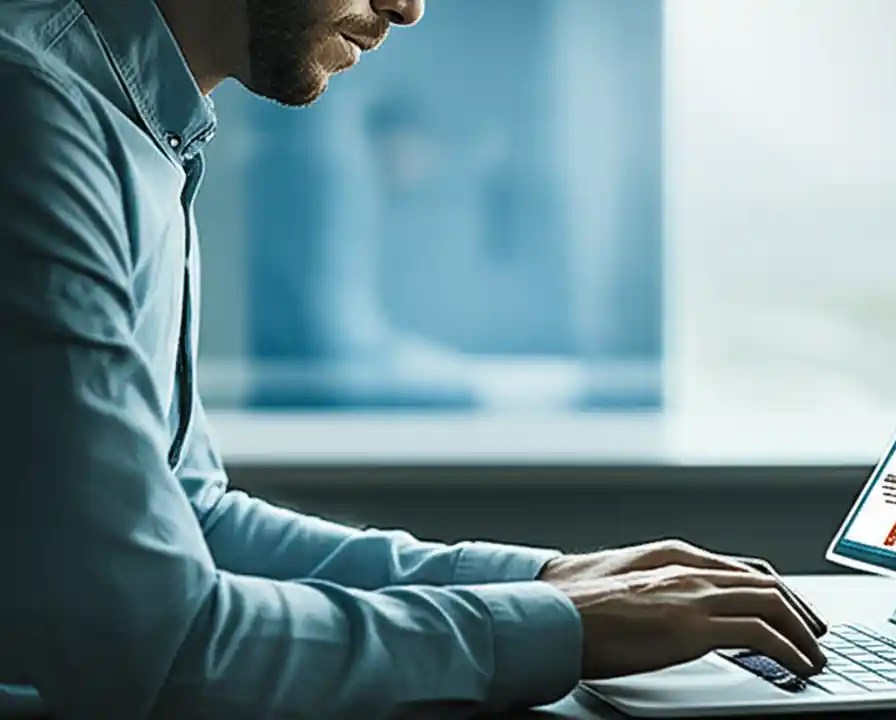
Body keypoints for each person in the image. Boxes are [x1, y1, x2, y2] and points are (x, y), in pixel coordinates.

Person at [0, 0, 825, 717]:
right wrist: (564, 627)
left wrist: (547, 580)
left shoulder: (137, 126)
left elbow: (195, 517)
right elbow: (160, 646)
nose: (408, 7)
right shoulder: (33, 113)